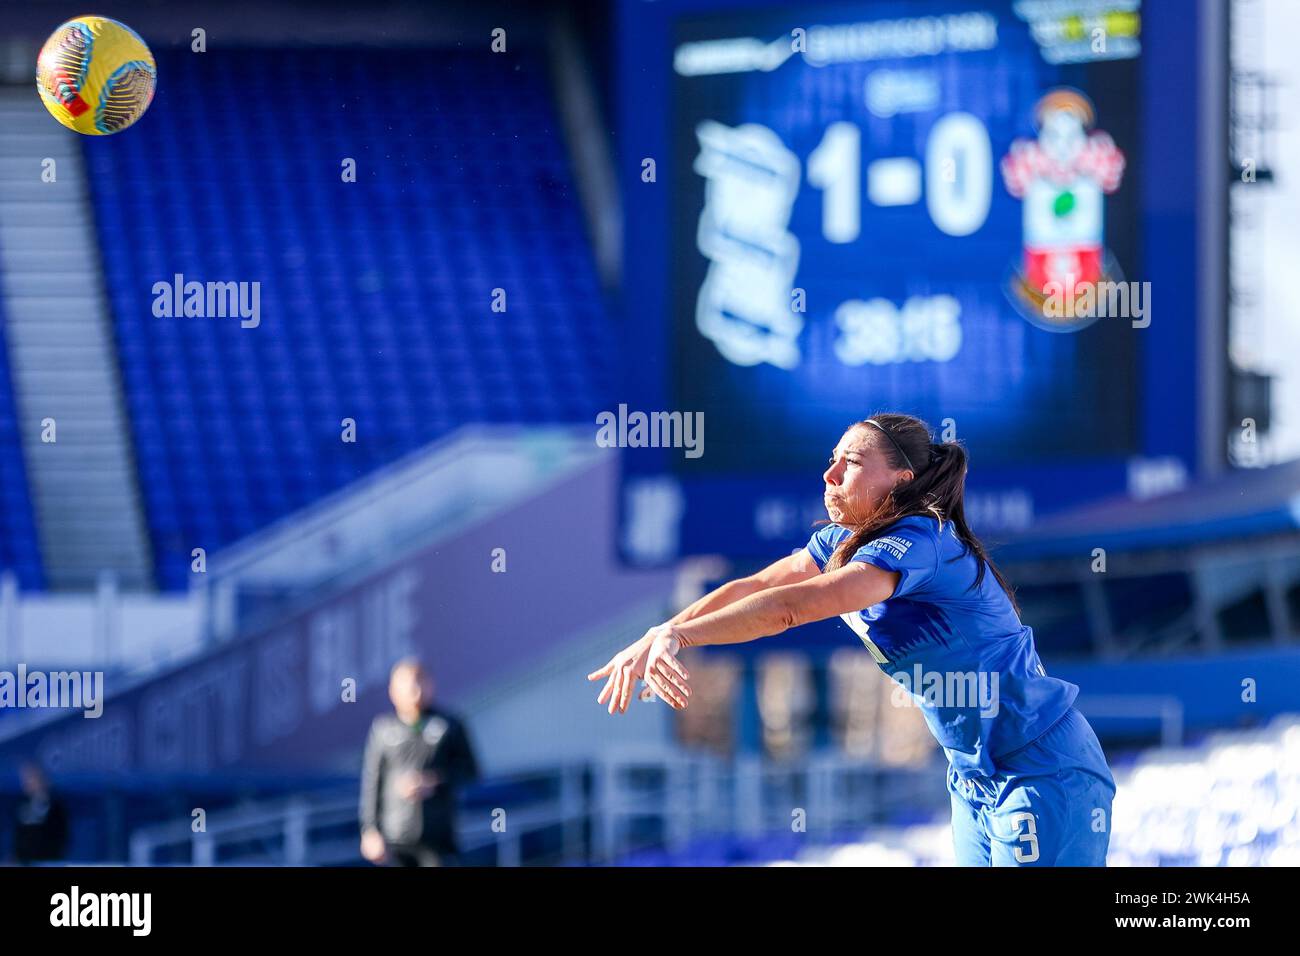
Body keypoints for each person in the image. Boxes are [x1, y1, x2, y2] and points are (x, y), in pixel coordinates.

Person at [589, 413, 1116, 866]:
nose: (830, 473)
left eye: (853, 463)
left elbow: (790, 609)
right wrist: (664, 630)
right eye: (832, 458)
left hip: (1042, 765)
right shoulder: (840, 541)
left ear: (900, 479)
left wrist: (681, 635)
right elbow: (755, 587)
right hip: (973, 779)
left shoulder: (919, 541)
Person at [359, 659, 479, 867]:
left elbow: (471, 771)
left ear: (430, 685)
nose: (414, 691)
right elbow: (372, 782)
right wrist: (369, 830)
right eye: (407, 685)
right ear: (393, 691)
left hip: (438, 837)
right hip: (395, 839)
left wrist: (435, 781)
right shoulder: (383, 729)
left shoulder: (449, 724)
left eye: (420, 682)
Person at [12, 762, 68, 864]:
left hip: (48, 861)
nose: (27, 783)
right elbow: (20, 835)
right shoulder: (22, 804)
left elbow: (61, 836)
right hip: (24, 862)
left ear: (42, 779)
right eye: (25, 780)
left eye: (31, 779)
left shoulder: (56, 806)